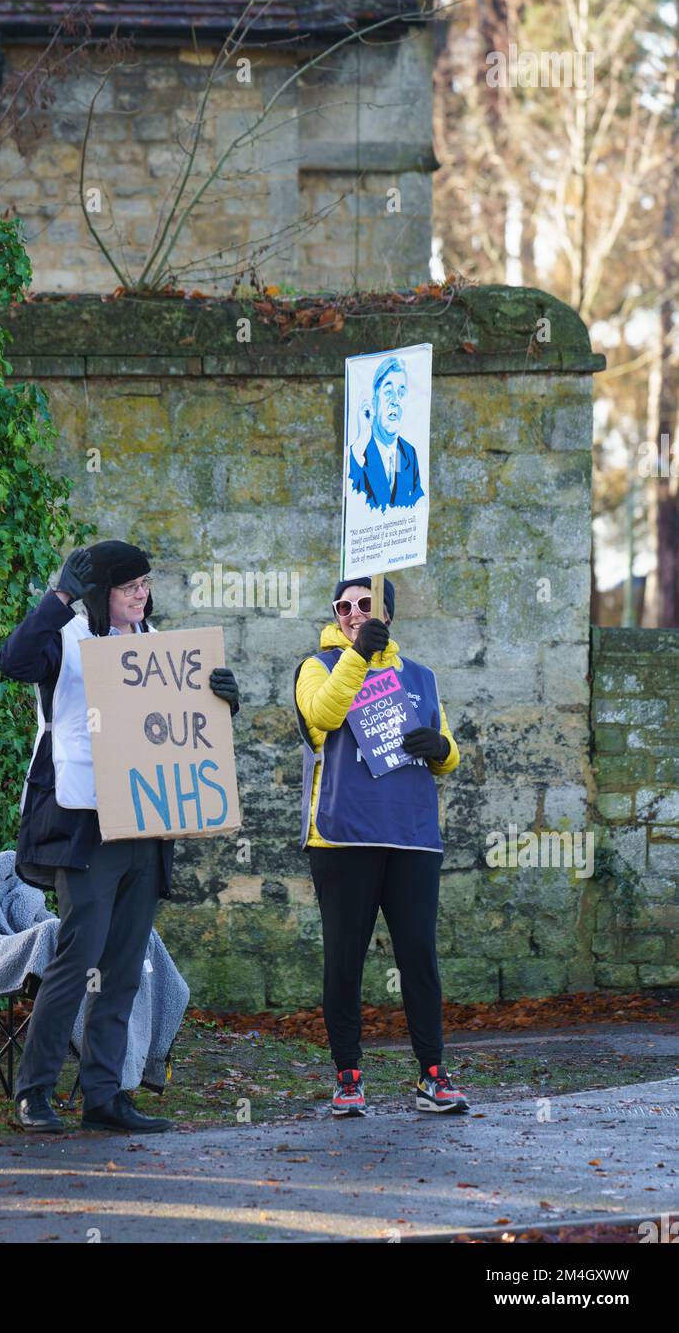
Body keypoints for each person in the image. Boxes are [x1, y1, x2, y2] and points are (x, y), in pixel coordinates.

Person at [0, 541, 240, 1135]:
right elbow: (13, 660)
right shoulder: (68, 638)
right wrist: (58, 598)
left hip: (148, 822)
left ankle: (104, 1094)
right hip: (87, 823)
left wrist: (220, 702)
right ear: (100, 591)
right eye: (130, 585)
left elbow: (182, 731)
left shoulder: (160, 646)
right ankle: (34, 1092)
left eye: (146, 583)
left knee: (126, 965)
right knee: (78, 958)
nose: (142, 593)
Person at [294, 576, 468, 1117]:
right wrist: (357, 655)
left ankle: (432, 1076)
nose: (351, 612)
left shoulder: (420, 676)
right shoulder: (317, 666)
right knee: (344, 960)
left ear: (387, 613)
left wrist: (442, 747)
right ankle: (348, 1076)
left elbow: (446, 752)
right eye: (342, 606)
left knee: (419, 955)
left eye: (364, 605)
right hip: (343, 835)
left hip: (413, 838)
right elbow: (322, 717)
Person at [348, 356, 424, 511]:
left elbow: (417, 507)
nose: (395, 400)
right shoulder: (359, 452)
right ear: (374, 400)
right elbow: (351, 494)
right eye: (388, 392)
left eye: (401, 393)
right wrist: (361, 440)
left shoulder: (408, 453)